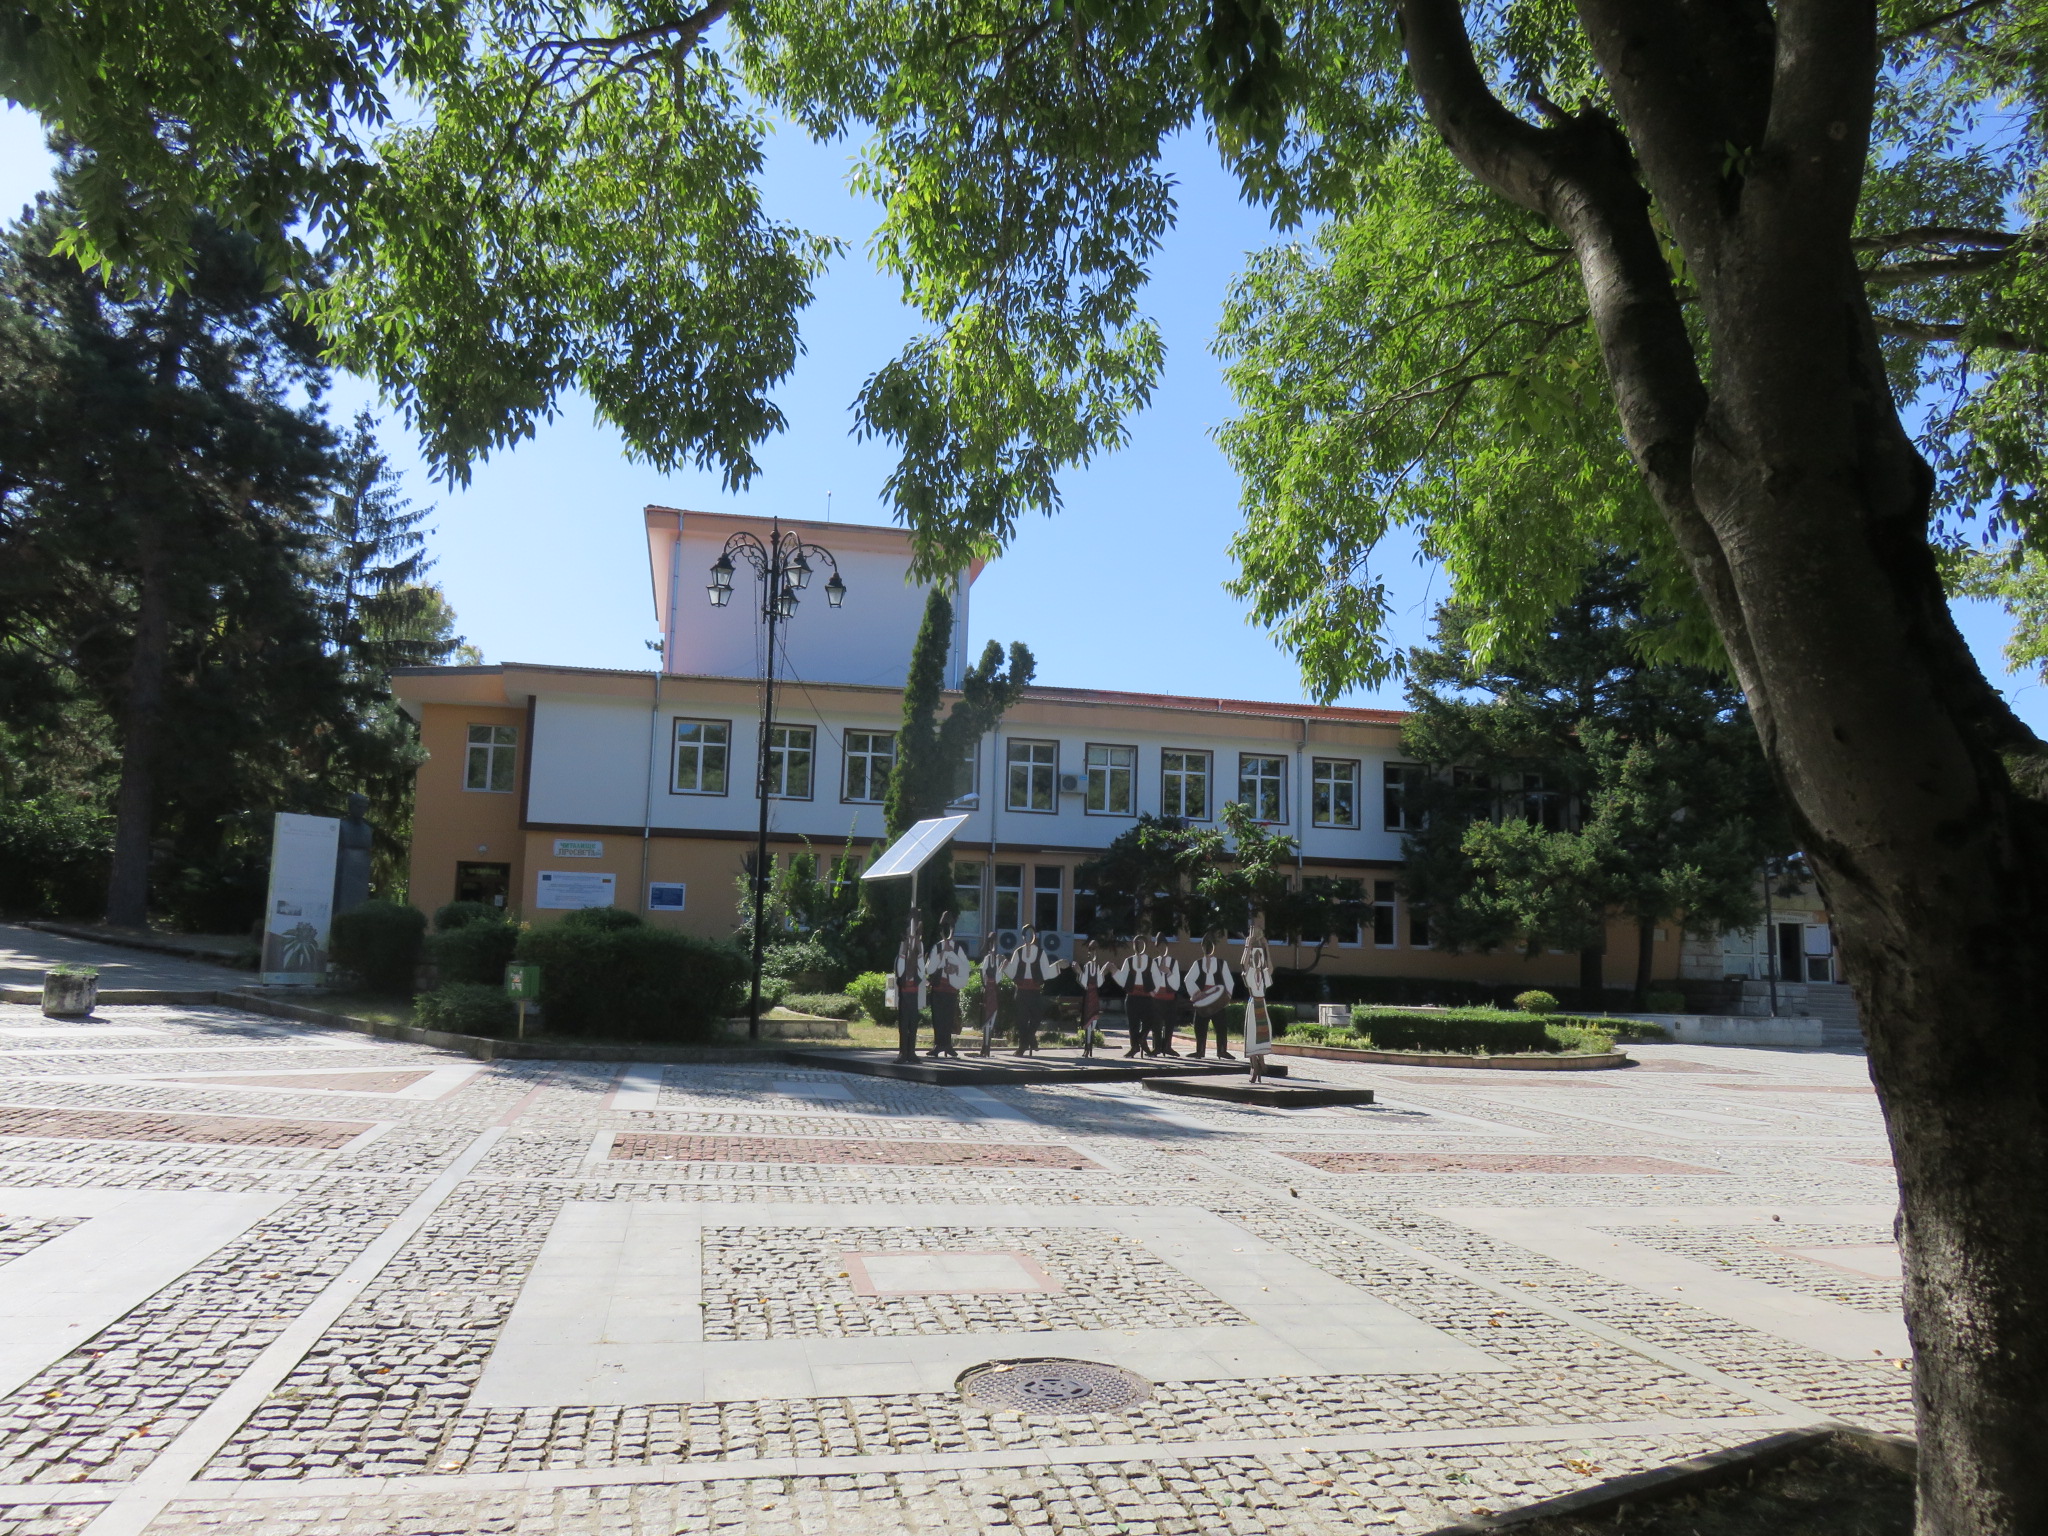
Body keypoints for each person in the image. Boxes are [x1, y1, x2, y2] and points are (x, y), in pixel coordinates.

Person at [1002, 923, 1057, 1054]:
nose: (1029, 937)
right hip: (1021, 990)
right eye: (1026, 934)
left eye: (1031, 934)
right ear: (1023, 937)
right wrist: (1004, 965)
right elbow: (1012, 971)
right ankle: (1023, 1046)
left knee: (1037, 1016)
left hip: (1035, 990)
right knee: (1021, 1019)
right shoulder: (1018, 952)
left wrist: (1058, 967)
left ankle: (1030, 1037)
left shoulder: (1040, 953)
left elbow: (1046, 971)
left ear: (1034, 936)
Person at [924, 917, 970, 1058]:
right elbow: (930, 969)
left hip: (951, 989)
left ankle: (947, 1045)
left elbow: (965, 968)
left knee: (949, 1018)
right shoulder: (937, 947)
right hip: (938, 988)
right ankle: (938, 1044)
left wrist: (954, 964)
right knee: (938, 1018)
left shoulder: (957, 948)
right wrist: (941, 955)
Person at [1186, 933, 1236, 1059]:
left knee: (1221, 1026)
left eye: (1209, 945)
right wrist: (1197, 993)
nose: (1207, 948)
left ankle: (1222, 1050)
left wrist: (1226, 996)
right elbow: (1188, 980)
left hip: (1218, 1000)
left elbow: (1229, 981)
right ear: (1202, 947)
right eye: (1205, 946)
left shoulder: (1221, 964)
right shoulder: (1198, 963)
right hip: (1203, 1000)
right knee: (1200, 1026)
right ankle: (1200, 1050)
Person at [1241, 927, 1275, 1082]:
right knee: (1252, 1036)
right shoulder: (1250, 974)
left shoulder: (1263, 974)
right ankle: (1255, 1065)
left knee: (1260, 1036)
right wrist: (1248, 946)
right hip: (1254, 1003)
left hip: (1261, 1004)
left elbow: (1271, 967)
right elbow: (1243, 964)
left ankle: (1259, 1063)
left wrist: (1266, 947)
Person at [892, 912, 924, 1063]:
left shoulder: (919, 944)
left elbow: (922, 968)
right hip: (905, 990)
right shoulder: (903, 944)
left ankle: (912, 1052)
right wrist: (904, 951)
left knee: (913, 1023)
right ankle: (902, 1052)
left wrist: (918, 951)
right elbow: (899, 968)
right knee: (904, 1023)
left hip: (915, 990)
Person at [1114, 937, 1153, 1057]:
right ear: (1134, 946)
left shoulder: (1151, 962)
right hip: (1132, 997)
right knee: (1133, 1023)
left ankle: (1142, 1038)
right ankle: (1135, 1046)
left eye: (1141, 944)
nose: (1139, 947)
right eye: (1137, 944)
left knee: (1150, 1020)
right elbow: (1123, 980)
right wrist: (1114, 971)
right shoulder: (1129, 961)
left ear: (1145, 946)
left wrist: (1154, 991)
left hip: (1147, 997)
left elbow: (1157, 978)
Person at [1075, 940, 1112, 1056]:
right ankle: (1087, 1046)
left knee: (1093, 1022)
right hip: (1089, 996)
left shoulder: (1096, 967)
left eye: (1095, 951)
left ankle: (1089, 1047)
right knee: (1087, 1022)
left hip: (1094, 995)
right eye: (1092, 950)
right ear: (1089, 953)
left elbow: (1099, 982)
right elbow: (1085, 983)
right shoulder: (1087, 966)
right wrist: (1079, 971)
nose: (1094, 953)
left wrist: (1104, 971)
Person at [1149, 935, 1183, 1056]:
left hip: (1170, 998)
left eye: (1164, 946)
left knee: (1169, 1024)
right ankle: (1157, 1047)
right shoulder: (1154, 962)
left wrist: (1168, 972)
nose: (1162, 949)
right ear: (1157, 948)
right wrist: (1152, 992)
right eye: (1159, 946)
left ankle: (1167, 1047)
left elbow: (1177, 983)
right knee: (1156, 1025)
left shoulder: (1174, 962)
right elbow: (1150, 979)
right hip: (1157, 998)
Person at [977, 934, 1005, 1055]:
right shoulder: (988, 959)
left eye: (994, 943)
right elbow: (983, 973)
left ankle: (987, 1047)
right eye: (991, 943)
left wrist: (1002, 967)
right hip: (988, 991)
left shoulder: (997, 959)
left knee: (992, 1017)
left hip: (994, 990)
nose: (993, 946)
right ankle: (985, 1045)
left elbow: (999, 977)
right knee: (986, 1019)